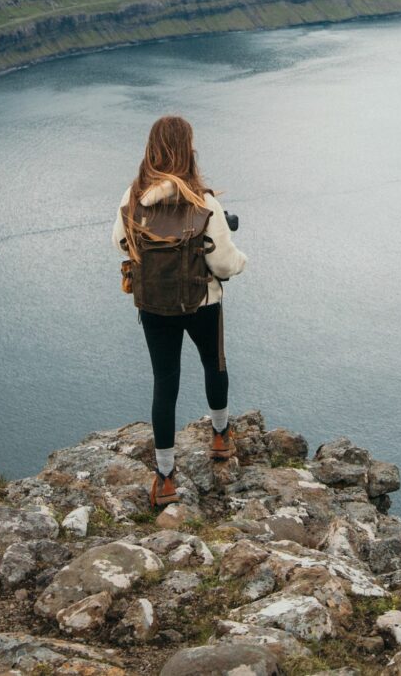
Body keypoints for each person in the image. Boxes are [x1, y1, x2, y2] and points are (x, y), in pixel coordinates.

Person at [113, 114, 247, 507]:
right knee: (214, 364)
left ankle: (165, 478)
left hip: (154, 305)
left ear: (151, 149)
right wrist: (242, 260)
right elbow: (224, 264)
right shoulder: (204, 202)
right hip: (201, 302)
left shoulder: (133, 197)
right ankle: (220, 437)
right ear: (188, 150)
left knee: (165, 382)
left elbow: (120, 242)